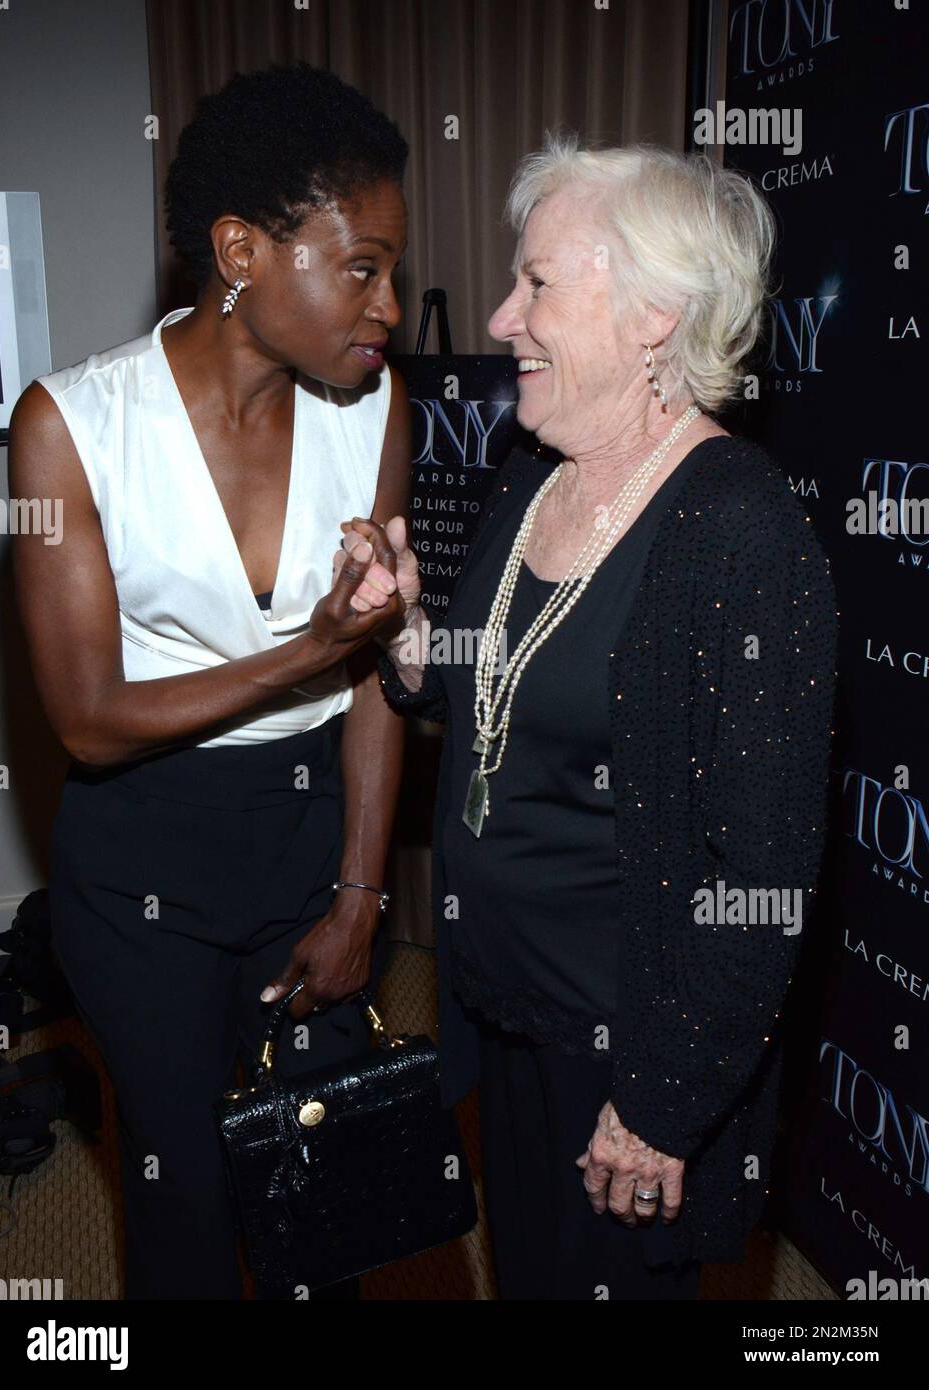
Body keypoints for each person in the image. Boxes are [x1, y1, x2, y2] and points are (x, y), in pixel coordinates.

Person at [339, 137, 839, 1301]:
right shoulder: (537, 470)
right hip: (502, 1002)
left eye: (539, 284)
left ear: (654, 314)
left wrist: (660, 1110)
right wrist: (405, 629)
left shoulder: (739, 538)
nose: (504, 315)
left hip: (625, 1052)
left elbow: (758, 882)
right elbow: (492, 699)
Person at [8, 63, 412, 1300]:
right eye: (362, 267)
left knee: (324, 1180)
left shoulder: (371, 405)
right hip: (143, 861)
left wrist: (359, 891)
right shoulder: (70, 426)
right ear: (241, 249)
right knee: (181, 1193)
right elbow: (89, 720)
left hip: (312, 832)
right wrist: (312, 645)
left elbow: (381, 680)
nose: (390, 305)